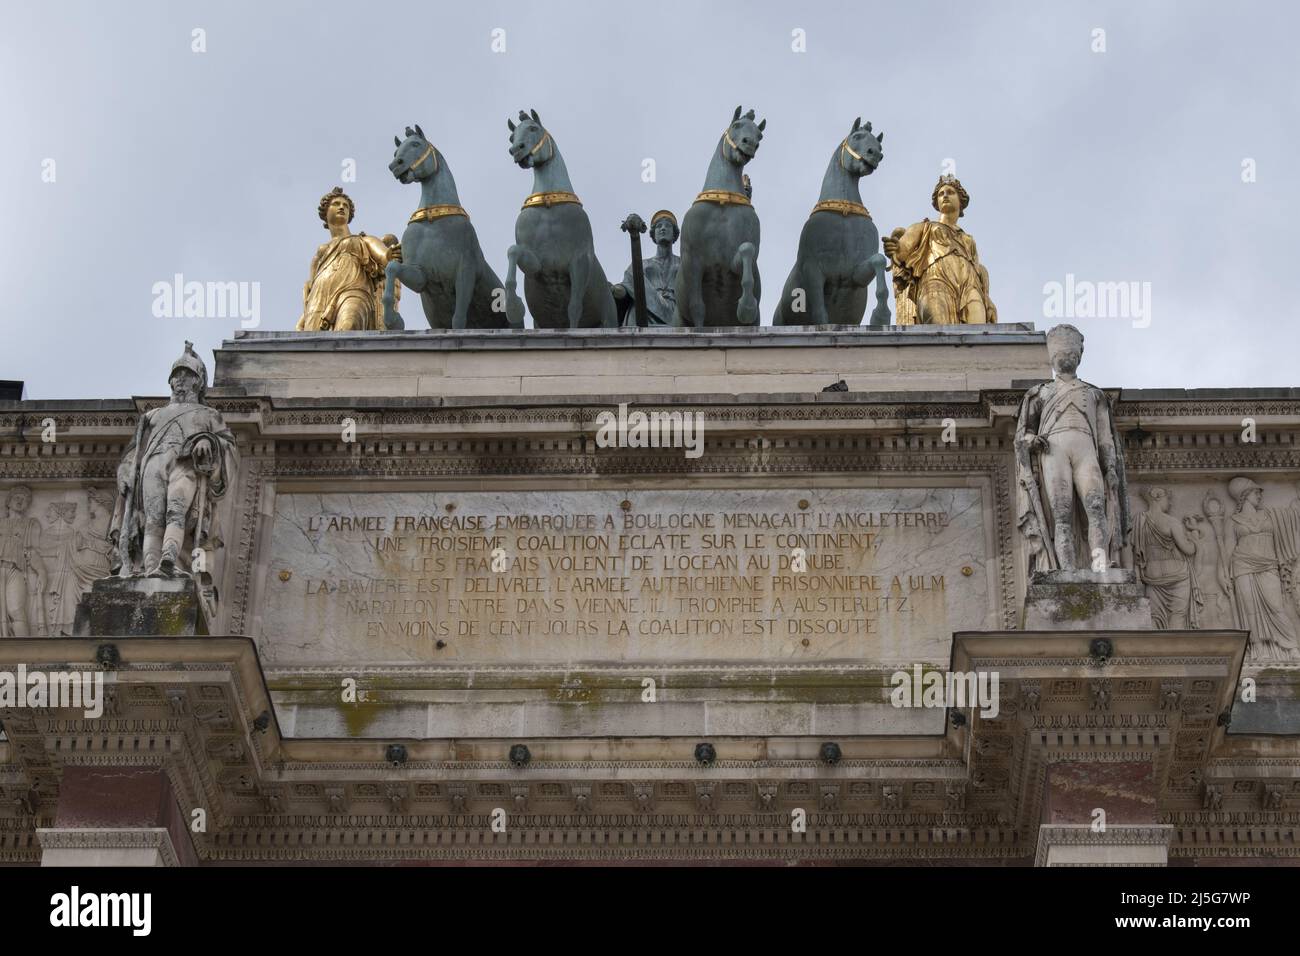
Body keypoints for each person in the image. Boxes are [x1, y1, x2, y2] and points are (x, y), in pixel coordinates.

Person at [1015, 324, 1129, 572]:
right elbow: (1022, 435)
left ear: (1078, 356)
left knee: (1096, 507)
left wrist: (1110, 467)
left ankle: (1100, 565)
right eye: (1060, 354)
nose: (1066, 357)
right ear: (1052, 358)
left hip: (1086, 451)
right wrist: (1031, 441)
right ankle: (1066, 571)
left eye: (1071, 353)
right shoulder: (1040, 394)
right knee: (1062, 514)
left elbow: (1105, 438)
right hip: (1053, 452)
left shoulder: (1095, 395)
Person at [116, 343, 237, 577]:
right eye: (176, 375)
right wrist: (125, 470)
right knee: (152, 518)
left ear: (198, 382)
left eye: (187, 375)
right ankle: (151, 570)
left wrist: (209, 443)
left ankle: (169, 559)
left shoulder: (209, 415)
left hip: (185, 465)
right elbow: (134, 451)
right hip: (154, 463)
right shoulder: (152, 416)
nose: (180, 380)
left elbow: (227, 444)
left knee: (176, 510)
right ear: (170, 382)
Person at [884, 175, 997, 325]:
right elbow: (904, 246)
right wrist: (896, 248)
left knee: (980, 335)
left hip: (970, 286)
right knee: (939, 334)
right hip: (936, 282)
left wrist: (987, 299)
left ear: (961, 201)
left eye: (950, 192)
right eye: (940, 194)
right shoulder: (925, 227)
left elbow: (978, 270)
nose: (944, 196)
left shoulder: (969, 240)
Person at [296, 187, 401, 331]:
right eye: (336, 204)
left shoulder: (363, 240)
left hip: (354, 291)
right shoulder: (319, 256)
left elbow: (383, 256)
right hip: (319, 299)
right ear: (325, 213)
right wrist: (303, 319)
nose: (341, 207)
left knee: (349, 325)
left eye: (345, 205)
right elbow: (311, 289)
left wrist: (389, 255)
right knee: (314, 343)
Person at [1221, 477, 1300, 662]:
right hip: (1242, 566)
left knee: (1276, 607)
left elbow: (1291, 516)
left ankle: (1292, 646)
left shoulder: (1270, 514)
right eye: (1255, 492)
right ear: (1244, 495)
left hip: (1268, 564)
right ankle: (1257, 648)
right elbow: (1227, 550)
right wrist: (1222, 573)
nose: (1259, 495)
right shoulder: (1232, 521)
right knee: (1251, 611)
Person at [613, 210, 680, 326]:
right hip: (644, 314)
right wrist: (614, 290)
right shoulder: (641, 265)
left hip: (676, 314)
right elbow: (626, 289)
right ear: (653, 234)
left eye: (668, 226)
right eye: (659, 226)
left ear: (674, 234)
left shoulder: (683, 263)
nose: (663, 228)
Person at [0, 485, 46, 636]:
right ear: (8, 501)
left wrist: (41, 571)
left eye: (25, 500)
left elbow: (32, 552)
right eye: (17, 498)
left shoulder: (30, 525)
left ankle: (24, 658)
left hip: (16, 571)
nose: (20, 501)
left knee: (16, 610)